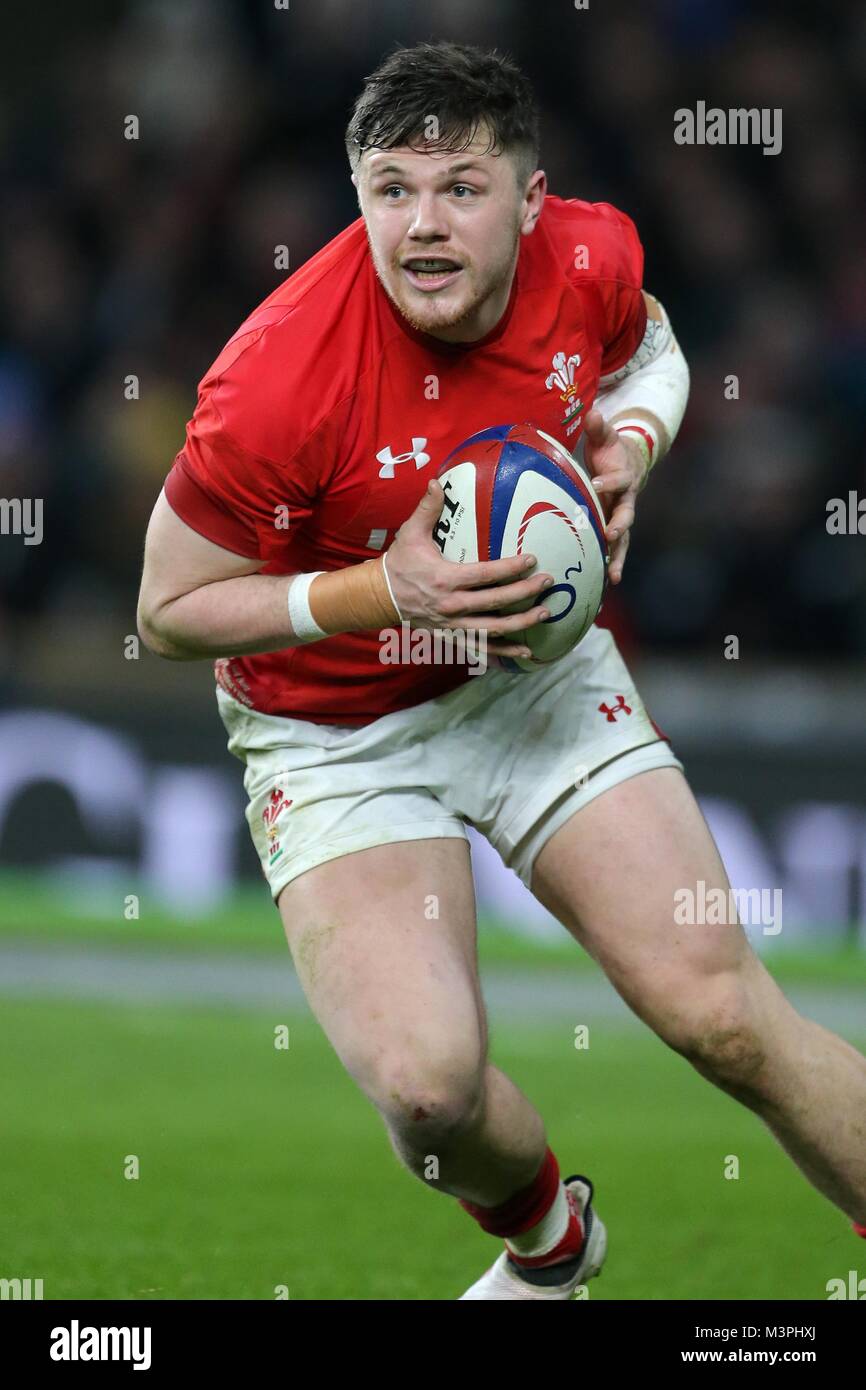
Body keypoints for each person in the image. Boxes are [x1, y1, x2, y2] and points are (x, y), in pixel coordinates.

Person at [137, 41, 866, 1300]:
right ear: (354, 193)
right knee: (429, 1093)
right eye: (390, 189)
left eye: (461, 188)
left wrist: (633, 438)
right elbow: (165, 610)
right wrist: (381, 593)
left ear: (530, 204)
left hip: (529, 677)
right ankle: (549, 1244)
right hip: (332, 730)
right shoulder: (273, 380)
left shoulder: (591, 255)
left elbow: (650, 352)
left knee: (722, 1013)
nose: (421, 226)